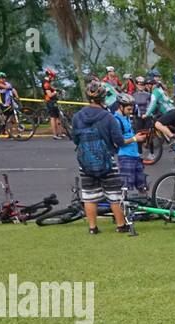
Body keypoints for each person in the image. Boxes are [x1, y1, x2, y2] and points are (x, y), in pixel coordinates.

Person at [70, 80, 128, 234]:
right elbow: (119, 141)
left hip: (85, 162)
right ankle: (121, 226)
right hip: (106, 160)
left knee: (89, 195)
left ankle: (92, 228)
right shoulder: (108, 117)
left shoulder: (77, 117)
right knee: (114, 195)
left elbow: (75, 138)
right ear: (103, 98)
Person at [41, 68, 65, 139]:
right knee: (53, 118)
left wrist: (57, 89)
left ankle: (60, 133)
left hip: (53, 101)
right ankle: (55, 134)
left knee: (58, 117)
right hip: (50, 101)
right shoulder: (46, 83)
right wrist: (55, 92)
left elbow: (51, 88)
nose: (53, 79)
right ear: (49, 76)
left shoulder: (47, 82)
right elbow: (50, 94)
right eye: (53, 77)